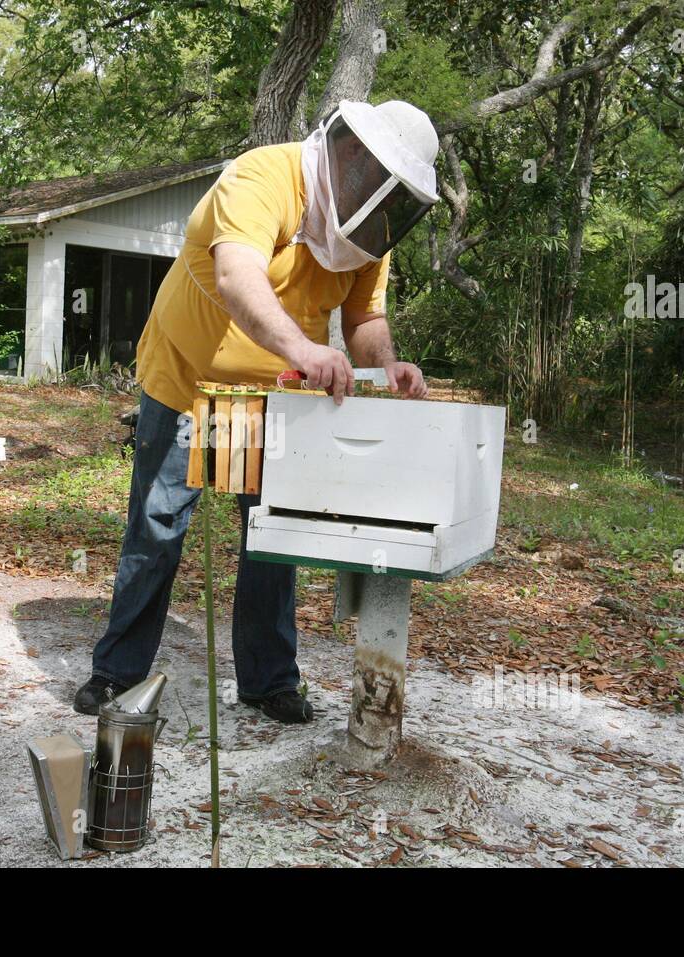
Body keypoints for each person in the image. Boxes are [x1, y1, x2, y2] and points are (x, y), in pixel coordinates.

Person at [74, 100, 441, 723]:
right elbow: (237, 275)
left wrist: (388, 364)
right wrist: (303, 348)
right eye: (382, 181)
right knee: (158, 528)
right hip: (187, 378)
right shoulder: (263, 177)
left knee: (272, 536)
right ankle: (117, 674)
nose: (383, 200)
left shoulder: (369, 234)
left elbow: (365, 318)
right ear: (351, 151)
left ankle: (268, 680)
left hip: (266, 396)